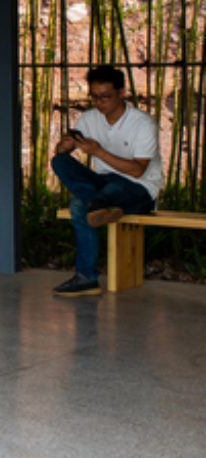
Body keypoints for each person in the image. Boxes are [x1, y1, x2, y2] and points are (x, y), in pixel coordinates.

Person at [50, 64, 163, 297]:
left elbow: (137, 171)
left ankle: (86, 276)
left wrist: (99, 152)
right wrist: (64, 147)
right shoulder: (89, 118)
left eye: (106, 97)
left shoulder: (143, 123)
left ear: (121, 93)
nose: (99, 103)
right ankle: (98, 203)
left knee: (79, 205)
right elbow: (62, 153)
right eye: (95, 97)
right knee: (59, 162)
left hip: (138, 190)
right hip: (102, 183)